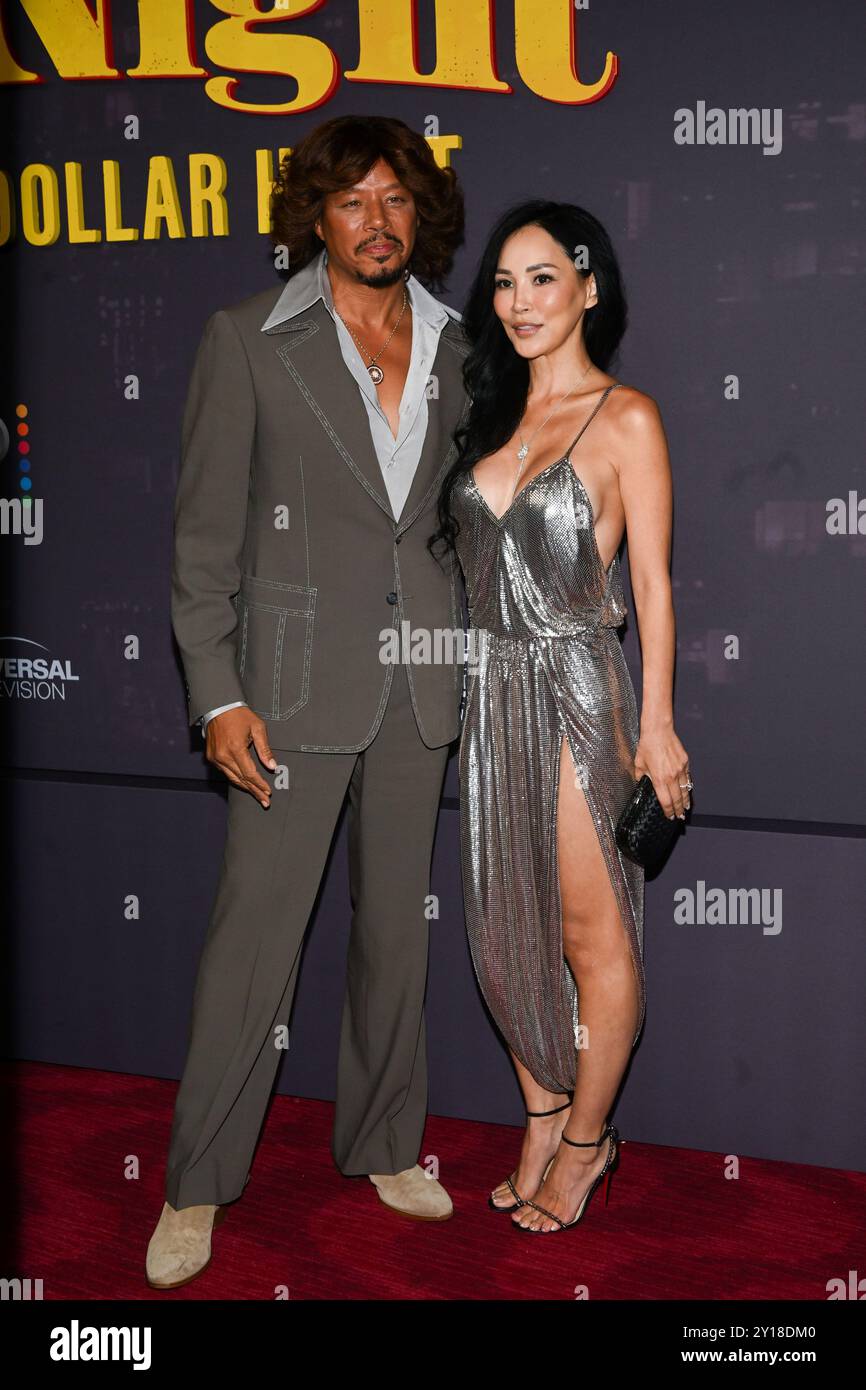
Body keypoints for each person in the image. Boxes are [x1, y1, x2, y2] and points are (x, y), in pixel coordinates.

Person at [146, 115, 469, 1289]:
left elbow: (453, 527)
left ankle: (383, 1141)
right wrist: (217, 690)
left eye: (394, 200)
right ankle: (193, 1183)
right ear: (314, 218)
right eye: (351, 202)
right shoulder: (248, 340)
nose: (375, 221)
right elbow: (200, 543)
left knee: (396, 934)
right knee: (252, 946)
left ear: (416, 216)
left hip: (418, 686)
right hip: (282, 692)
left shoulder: (458, 343)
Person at [432, 200, 692, 1234]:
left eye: (541, 277)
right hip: (490, 694)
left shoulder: (626, 415)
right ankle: (540, 1115)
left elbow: (656, 586)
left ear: (588, 286)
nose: (518, 301)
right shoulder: (490, 414)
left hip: (581, 692)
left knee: (591, 937)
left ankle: (586, 1146)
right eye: (502, 282)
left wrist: (658, 726)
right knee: (502, 933)